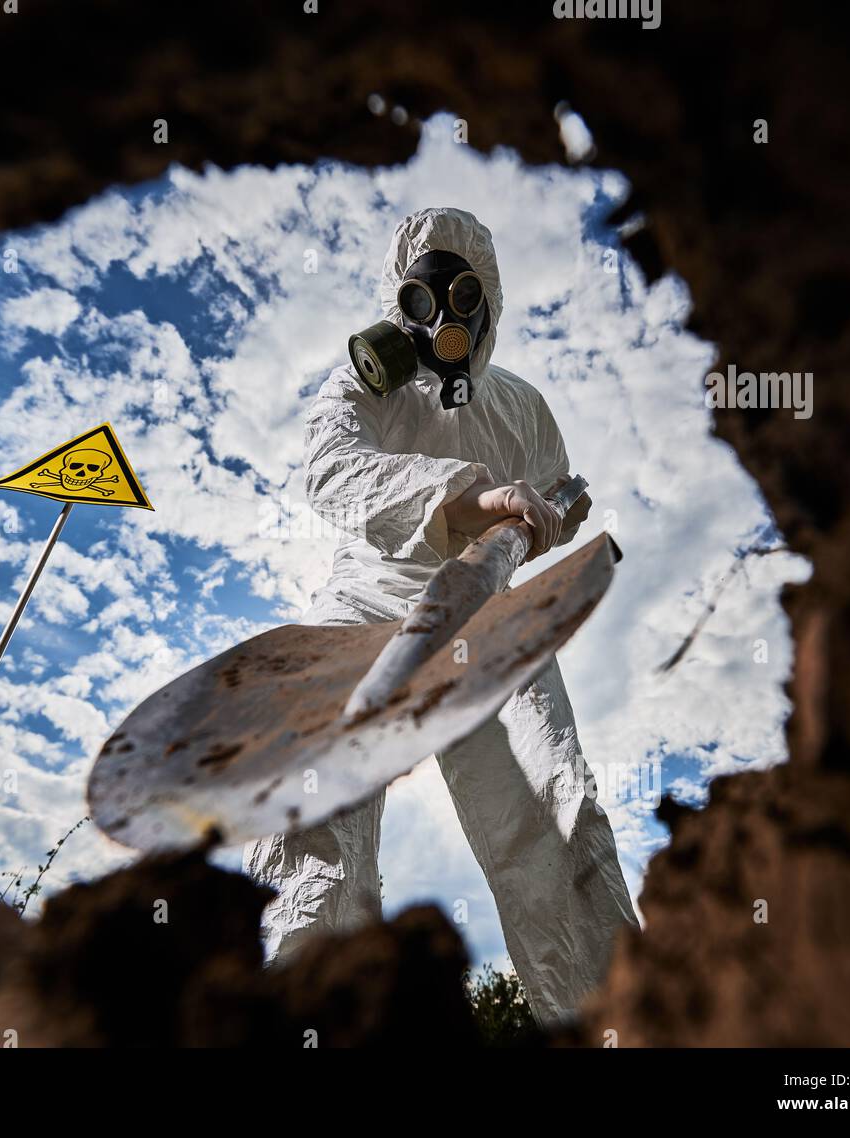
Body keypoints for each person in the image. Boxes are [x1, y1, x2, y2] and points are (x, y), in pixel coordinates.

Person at [243, 206, 638, 1023]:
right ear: (400, 302)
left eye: (464, 294)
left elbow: (548, 507)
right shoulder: (365, 379)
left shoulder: (522, 411)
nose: (444, 317)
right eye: (424, 299)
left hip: (485, 617)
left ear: (488, 299)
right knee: (315, 797)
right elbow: (330, 468)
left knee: (552, 808)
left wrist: (542, 525)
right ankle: (303, 1016)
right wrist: (462, 496)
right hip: (367, 599)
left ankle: (616, 1030)